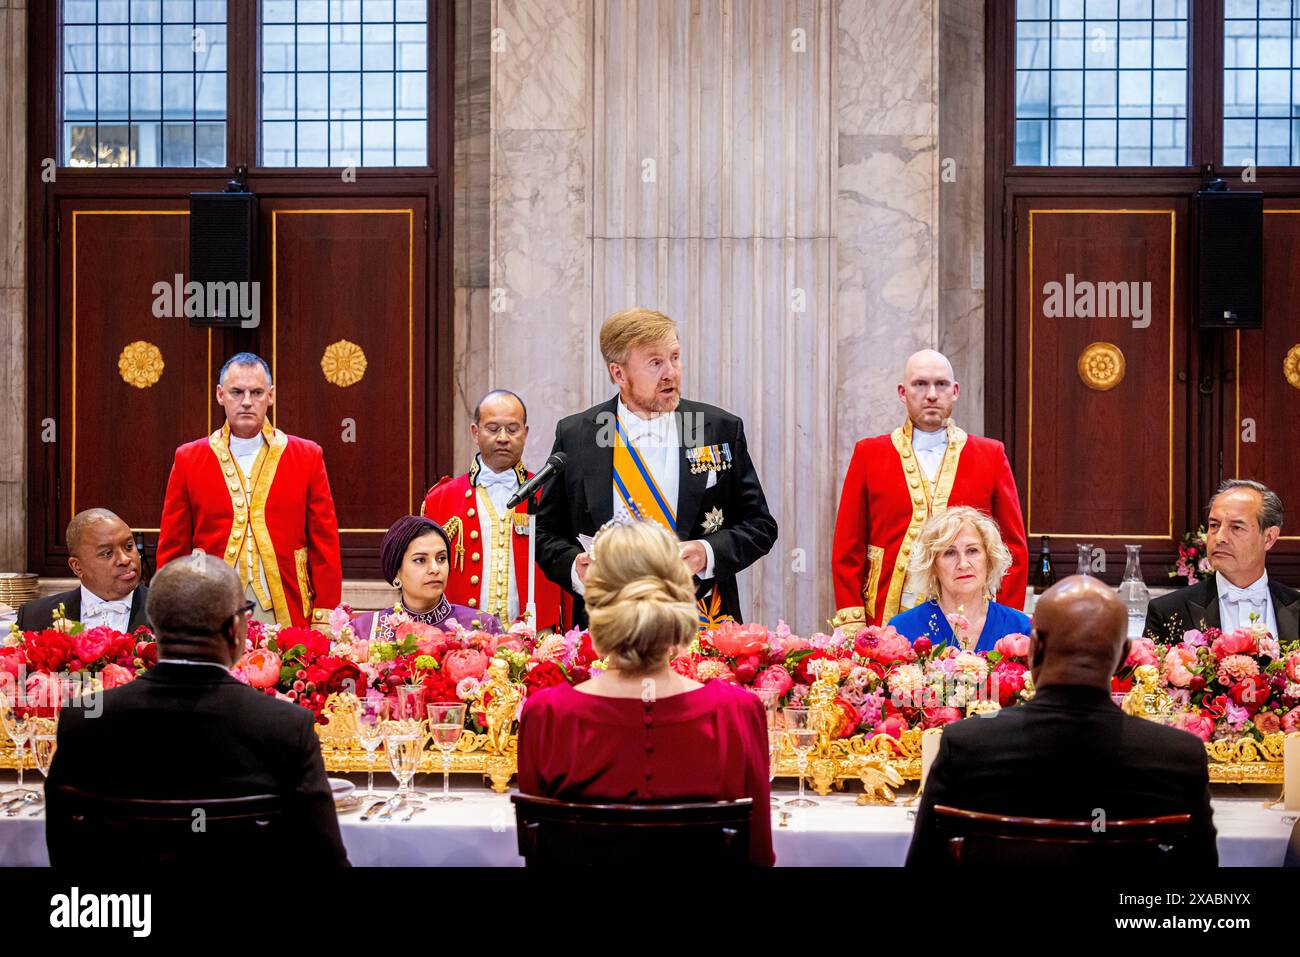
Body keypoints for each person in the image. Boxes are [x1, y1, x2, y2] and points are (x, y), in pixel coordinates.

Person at [45, 553, 349, 866]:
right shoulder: (285, 726)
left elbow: (66, 852)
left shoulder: (84, 719)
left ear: (155, 628)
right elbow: (325, 860)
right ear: (234, 629)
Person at [906, 575, 1217, 868]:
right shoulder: (1178, 757)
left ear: (1034, 647)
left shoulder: (965, 746)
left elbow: (925, 864)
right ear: (1123, 658)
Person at [517, 520, 773, 866]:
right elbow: (756, 857)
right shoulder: (736, 713)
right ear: (682, 599)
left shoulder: (547, 714)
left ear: (596, 605)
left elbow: (541, 858)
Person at [535, 307, 778, 624]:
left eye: (675, 358)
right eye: (655, 363)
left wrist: (707, 552)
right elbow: (546, 534)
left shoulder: (717, 428)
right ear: (619, 374)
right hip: (608, 628)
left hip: (703, 624)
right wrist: (575, 568)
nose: (671, 373)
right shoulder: (577, 435)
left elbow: (760, 526)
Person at [831, 350, 1028, 630]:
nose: (932, 394)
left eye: (941, 384)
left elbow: (1014, 550)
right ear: (902, 392)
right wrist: (853, 625)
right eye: (920, 384)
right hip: (885, 618)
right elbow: (847, 548)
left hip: (971, 619)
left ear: (955, 391)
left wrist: (1003, 625)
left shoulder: (990, 455)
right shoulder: (869, 454)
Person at [156, 352, 342, 629]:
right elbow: (173, 546)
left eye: (256, 392)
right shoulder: (189, 458)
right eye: (236, 392)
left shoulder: (306, 455)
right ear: (220, 395)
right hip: (208, 607)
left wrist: (324, 615)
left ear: (270, 395)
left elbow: (324, 542)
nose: (246, 401)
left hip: (288, 606)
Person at [420, 390, 566, 631]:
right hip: (460, 642)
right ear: (475, 433)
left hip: (536, 640)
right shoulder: (441, 499)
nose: (502, 438)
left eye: (512, 429)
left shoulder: (549, 494)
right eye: (492, 428)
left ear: (525, 433)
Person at [1145, 480, 1299, 643]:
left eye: (1236, 527)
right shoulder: (1168, 612)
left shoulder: (1296, 608)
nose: (1219, 538)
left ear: (1268, 538)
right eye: (1214, 525)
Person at [887, 506, 1029, 653]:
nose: (963, 564)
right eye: (949, 553)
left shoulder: (1020, 629)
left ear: (989, 559)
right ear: (932, 565)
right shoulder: (902, 630)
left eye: (972, 550)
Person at [350, 515, 502, 640]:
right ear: (396, 571)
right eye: (420, 560)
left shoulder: (482, 626)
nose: (435, 569)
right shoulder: (363, 631)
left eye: (441, 558)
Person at [18, 508, 150, 633]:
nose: (125, 559)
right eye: (107, 553)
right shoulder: (34, 616)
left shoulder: (168, 611)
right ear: (77, 566)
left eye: (128, 546)